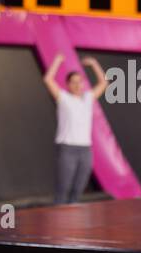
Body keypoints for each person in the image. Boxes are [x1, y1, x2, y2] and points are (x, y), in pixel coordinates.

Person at [43, 53, 107, 204]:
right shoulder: (63, 98)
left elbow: (104, 83)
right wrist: (57, 61)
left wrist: (94, 63)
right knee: (63, 190)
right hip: (67, 149)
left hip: (85, 150)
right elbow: (48, 80)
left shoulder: (87, 98)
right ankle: (58, 224)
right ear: (68, 85)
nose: (78, 85)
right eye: (74, 82)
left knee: (77, 191)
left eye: (80, 82)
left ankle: (72, 225)